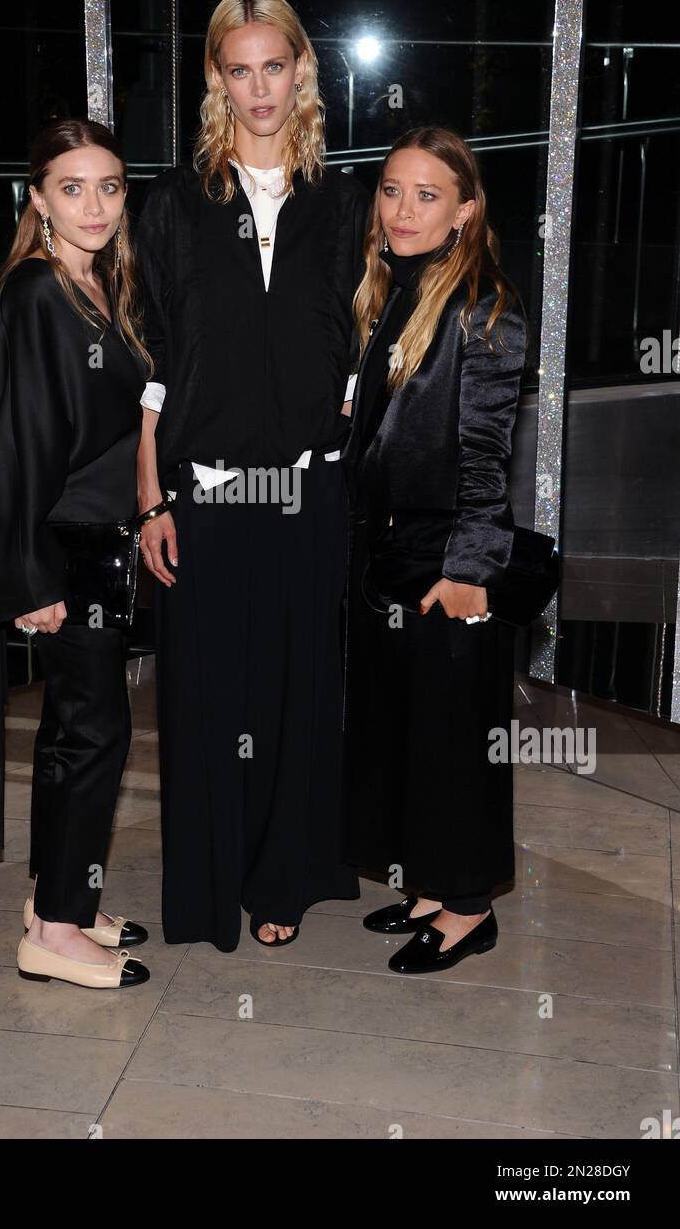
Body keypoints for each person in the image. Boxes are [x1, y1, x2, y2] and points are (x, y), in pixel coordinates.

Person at [134, 0, 368, 953]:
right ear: (216, 81)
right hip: (209, 492)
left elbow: (361, 345)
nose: (260, 86)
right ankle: (208, 881)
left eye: (276, 66)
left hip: (308, 491)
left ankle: (281, 878)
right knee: (204, 698)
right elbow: (154, 365)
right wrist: (150, 497)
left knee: (295, 692)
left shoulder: (344, 202)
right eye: (240, 69)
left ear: (301, 72)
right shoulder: (177, 205)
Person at [0, 117, 152, 990]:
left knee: (76, 733)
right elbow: (8, 444)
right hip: (64, 545)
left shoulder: (100, 285)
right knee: (93, 734)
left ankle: (55, 898)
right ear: (37, 200)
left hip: (95, 538)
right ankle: (58, 932)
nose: (95, 204)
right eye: (71, 188)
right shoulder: (38, 291)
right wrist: (27, 575)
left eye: (109, 186)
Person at [342, 125, 527, 974]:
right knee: (406, 734)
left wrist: (469, 570)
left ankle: (466, 906)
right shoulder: (395, 292)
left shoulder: (483, 304)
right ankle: (424, 885)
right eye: (391, 190)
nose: (403, 209)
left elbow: (486, 453)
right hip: (391, 555)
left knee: (455, 742)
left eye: (426, 195)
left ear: (464, 211)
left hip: (448, 560)